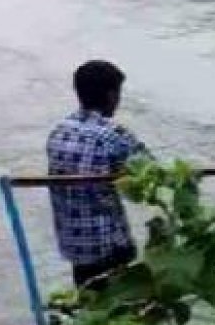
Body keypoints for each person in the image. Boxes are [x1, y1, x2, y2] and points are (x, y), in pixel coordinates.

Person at [46, 60, 150, 290]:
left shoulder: (58, 132)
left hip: (75, 247)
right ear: (111, 95)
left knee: (90, 305)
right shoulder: (114, 135)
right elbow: (152, 172)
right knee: (121, 313)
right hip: (109, 246)